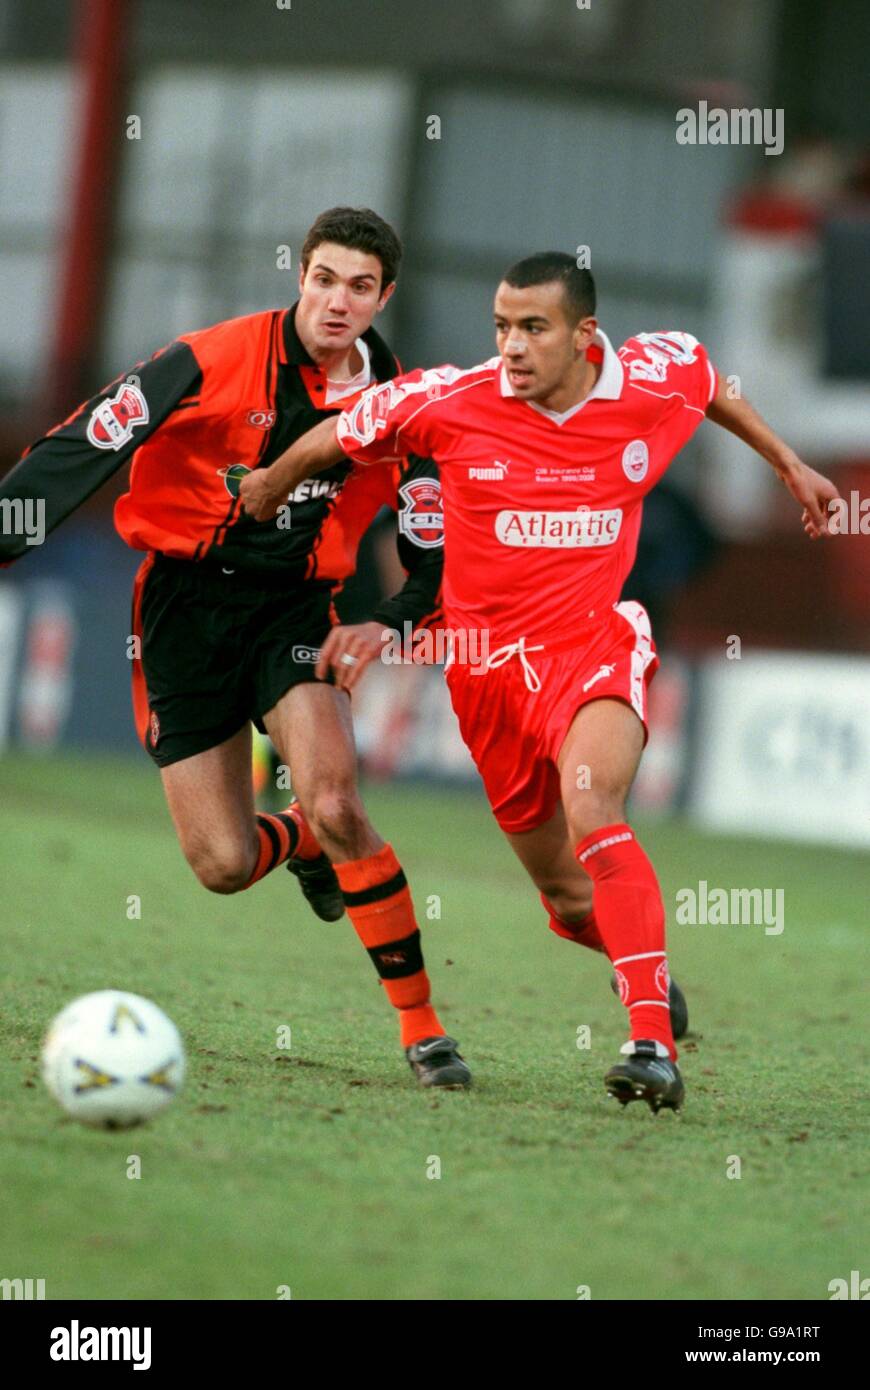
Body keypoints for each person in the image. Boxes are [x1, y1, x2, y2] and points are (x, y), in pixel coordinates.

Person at [239, 251, 839, 1113]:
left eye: (533, 328)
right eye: (501, 327)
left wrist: (787, 463)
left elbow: (710, 381)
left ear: (585, 335)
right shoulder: (450, 400)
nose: (512, 346)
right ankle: (642, 967)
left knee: (594, 806)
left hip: (592, 646)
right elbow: (339, 434)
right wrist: (269, 484)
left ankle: (650, 1044)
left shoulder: (648, 380)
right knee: (565, 898)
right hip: (485, 676)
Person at [0, 206, 470, 1090]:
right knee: (221, 863)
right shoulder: (209, 358)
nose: (338, 301)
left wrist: (400, 614)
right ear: (301, 276)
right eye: (324, 279)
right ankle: (300, 844)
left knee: (338, 801)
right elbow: (85, 443)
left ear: (384, 297)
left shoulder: (399, 403)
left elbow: (433, 537)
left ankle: (425, 1032)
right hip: (182, 609)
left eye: (360, 287)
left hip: (297, 610)